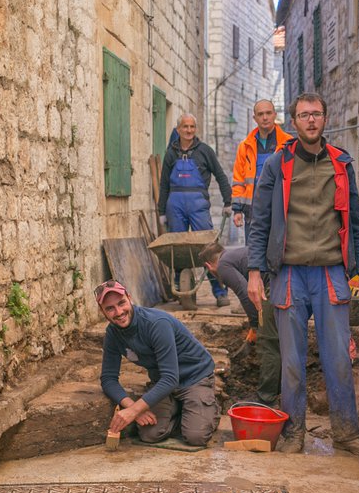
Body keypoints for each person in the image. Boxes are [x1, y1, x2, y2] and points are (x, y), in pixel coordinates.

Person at [247, 93, 359, 458]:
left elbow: (355, 219)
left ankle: (347, 433)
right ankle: (293, 434)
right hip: (289, 273)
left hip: (331, 272)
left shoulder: (341, 163)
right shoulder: (276, 165)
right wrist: (255, 272)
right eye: (304, 115)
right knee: (291, 361)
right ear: (293, 122)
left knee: (338, 356)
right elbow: (260, 223)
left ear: (325, 118)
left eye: (317, 114)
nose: (311, 120)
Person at [96, 280, 220, 446]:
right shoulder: (112, 334)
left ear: (129, 298)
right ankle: (182, 410)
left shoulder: (156, 324)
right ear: (102, 311)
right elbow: (108, 379)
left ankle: (206, 410)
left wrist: (133, 411)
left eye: (121, 303)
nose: (118, 312)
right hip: (162, 383)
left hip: (194, 378)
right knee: (149, 434)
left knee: (195, 437)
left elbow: (171, 378)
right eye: (110, 308)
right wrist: (134, 408)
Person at [158, 113, 232, 306]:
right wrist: (161, 212)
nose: (189, 130)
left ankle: (219, 291)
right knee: (177, 248)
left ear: (195, 129)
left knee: (209, 247)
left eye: (192, 127)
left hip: (198, 204)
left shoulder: (205, 151)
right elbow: (164, 183)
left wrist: (228, 201)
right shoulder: (171, 154)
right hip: (175, 205)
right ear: (178, 130)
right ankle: (181, 289)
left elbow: (221, 176)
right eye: (185, 127)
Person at [201, 240, 281, 406]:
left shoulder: (223, 265)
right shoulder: (235, 256)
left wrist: (255, 326)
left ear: (209, 266)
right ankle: (281, 389)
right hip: (284, 280)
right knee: (280, 339)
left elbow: (246, 293)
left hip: (273, 285)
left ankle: (265, 399)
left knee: (268, 342)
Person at [231, 100, 291, 241]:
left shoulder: (288, 144)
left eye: (268, 113)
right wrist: (237, 209)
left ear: (275, 115)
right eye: (260, 114)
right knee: (253, 255)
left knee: (280, 256)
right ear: (254, 118)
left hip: (280, 211)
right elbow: (238, 180)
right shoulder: (245, 147)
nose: (265, 117)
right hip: (253, 212)